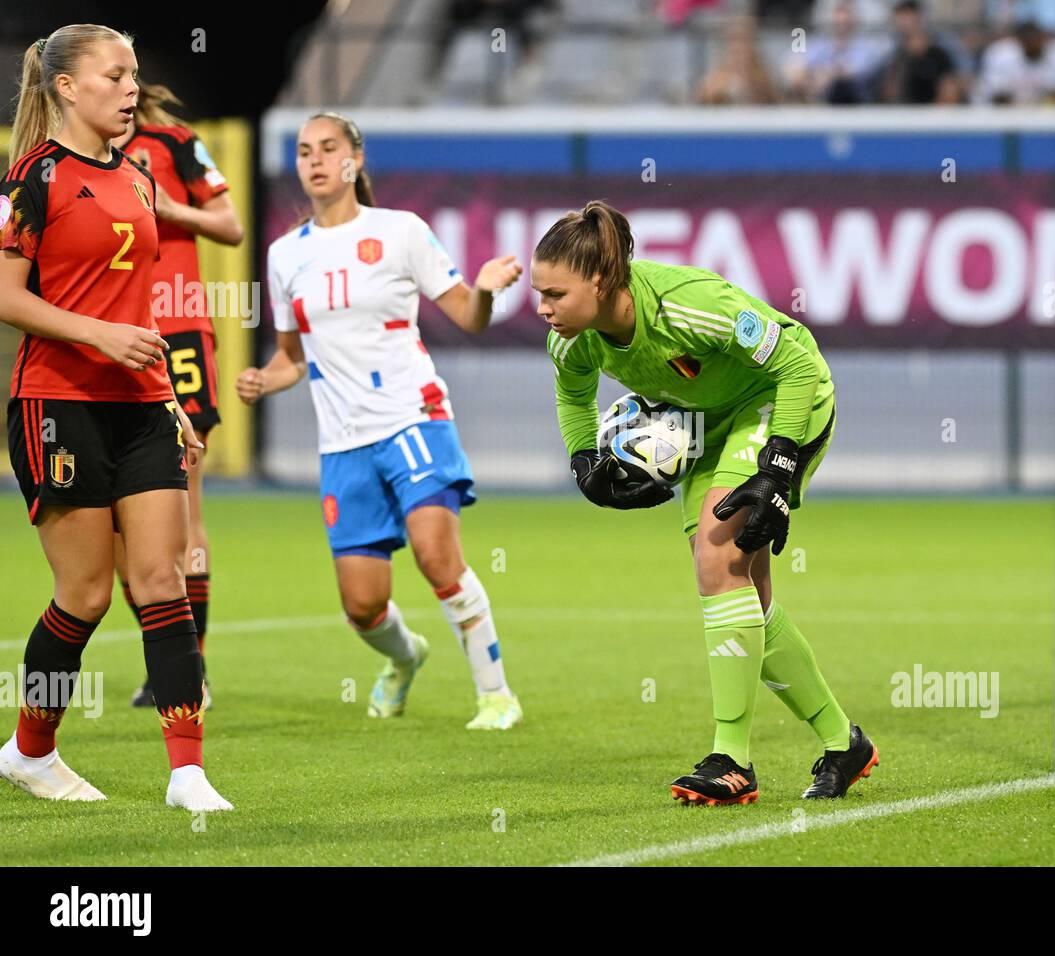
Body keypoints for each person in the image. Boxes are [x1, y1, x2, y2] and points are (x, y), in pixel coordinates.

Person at [535, 200, 877, 805]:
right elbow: (573, 396)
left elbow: (795, 362)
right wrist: (584, 462)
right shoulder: (574, 340)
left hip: (780, 406)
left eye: (555, 294)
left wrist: (779, 463)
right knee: (748, 596)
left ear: (601, 280)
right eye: (540, 293)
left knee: (717, 563)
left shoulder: (687, 303)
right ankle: (842, 742)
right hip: (705, 429)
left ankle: (731, 760)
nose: (543, 309)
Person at [0, 24, 230, 810]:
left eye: (135, 73)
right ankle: (31, 749)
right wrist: (97, 335)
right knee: (86, 595)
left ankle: (188, 773)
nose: (132, 88)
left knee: (162, 576)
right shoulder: (34, 176)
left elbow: (137, 311)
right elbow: (4, 294)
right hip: (57, 405)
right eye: (114, 74)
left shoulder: (137, 176)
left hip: (142, 409)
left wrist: (172, 401)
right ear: (66, 86)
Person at [239, 112, 524, 728]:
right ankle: (404, 657)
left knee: (435, 557)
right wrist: (265, 379)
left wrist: (484, 289)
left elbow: (469, 317)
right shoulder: (286, 255)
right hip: (343, 444)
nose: (314, 160)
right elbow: (292, 358)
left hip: (413, 417)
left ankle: (496, 695)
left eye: (328, 148)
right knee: (362, 605)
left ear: (354, 160)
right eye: (304, 151)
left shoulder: (401, 232)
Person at [109, 79, 244, 709]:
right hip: (106, 336)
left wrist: (168, 207)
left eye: (125, 78)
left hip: (178, 331)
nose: (122, 92)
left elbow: (230, 226)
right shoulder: (66, 158)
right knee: (111, 520)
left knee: (182, 496)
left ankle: (196, 670)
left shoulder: (176, 143)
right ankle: (166, 651)